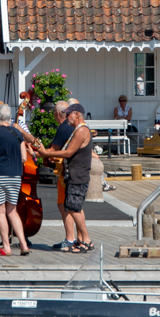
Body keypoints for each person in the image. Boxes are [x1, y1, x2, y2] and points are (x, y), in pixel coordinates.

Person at [31, 104, 93, 254]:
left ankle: (87, 240)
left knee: (74, 208)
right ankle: (82, 240)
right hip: (74, 173)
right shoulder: (78, 130)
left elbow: (68, 152)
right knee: (74, 207)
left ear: (77, 114)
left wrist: (45, 154)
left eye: (69, 114)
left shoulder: (82, 130)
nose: (67, 117)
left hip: (77, 174)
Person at [0, 104, 31, 256]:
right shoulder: (18, 133)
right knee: (13, 211)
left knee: (0, 211)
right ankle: (23, 244)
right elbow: (24, 157)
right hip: (16, 175)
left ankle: (6, 247)